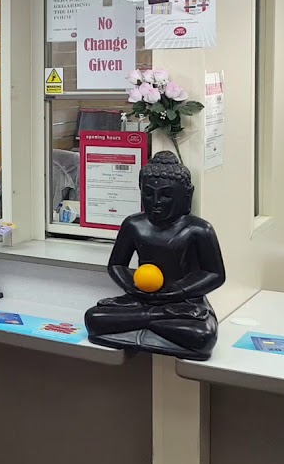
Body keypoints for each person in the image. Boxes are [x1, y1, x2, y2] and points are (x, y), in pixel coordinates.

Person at [84, 151, 226, 360]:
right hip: (141, 298)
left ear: (187, 195)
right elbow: (116, 264)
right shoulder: (134, 225)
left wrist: (180, 290)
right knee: (94, 318)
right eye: (149, 195)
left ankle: (143, 320)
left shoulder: (198, 229)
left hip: (184, 302)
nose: (156, 202)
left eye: (167, 195)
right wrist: (132, 285)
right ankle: (155, 317)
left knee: (202, 335)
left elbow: (215, 274)